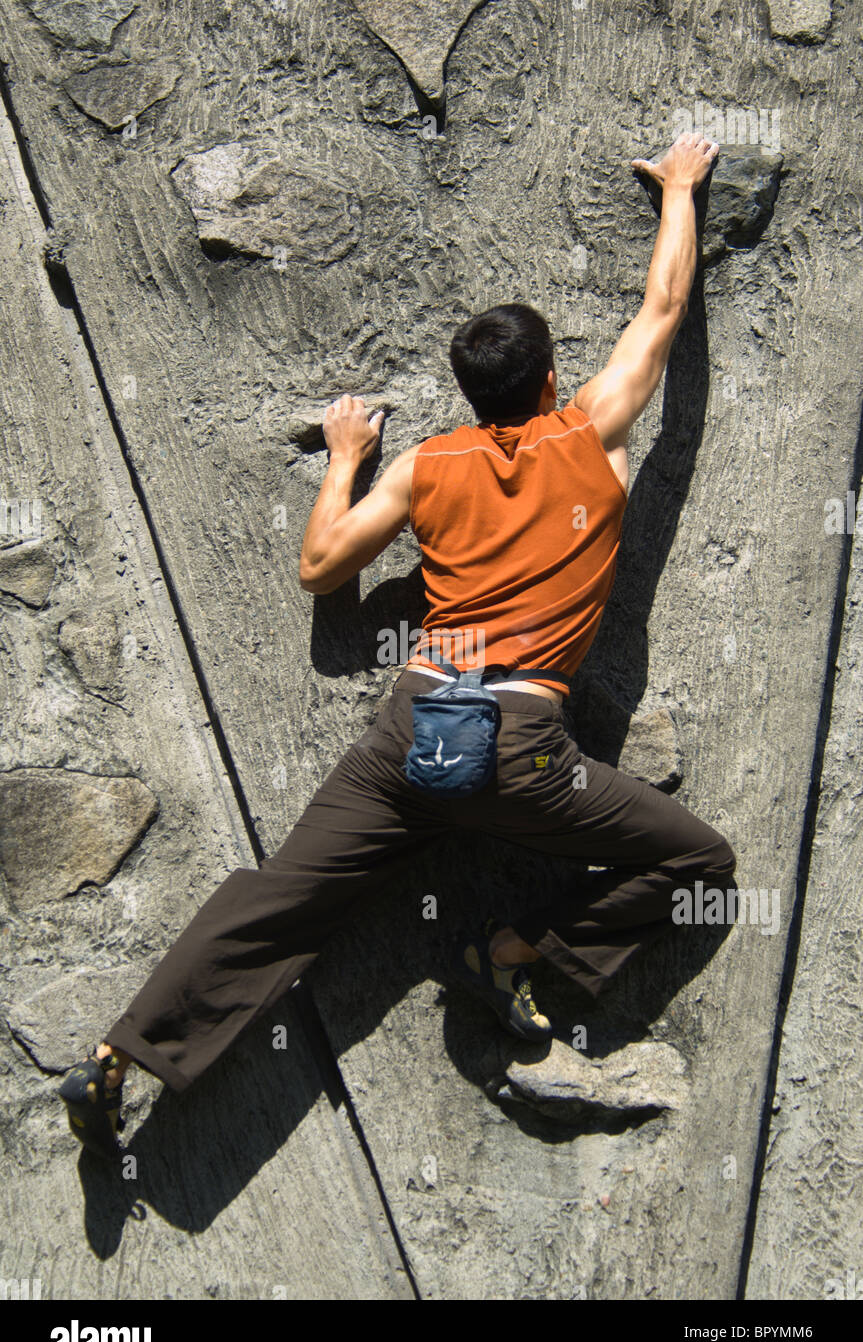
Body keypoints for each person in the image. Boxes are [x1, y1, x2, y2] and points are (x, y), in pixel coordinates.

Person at [60, 132, 735, 1160]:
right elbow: (663, 309)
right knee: (699, 859)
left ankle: (121, 1052)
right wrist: (679, 188)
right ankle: (510, 950)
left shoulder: (425, 467)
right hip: (520, 753)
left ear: (468, 393)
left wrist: (343, 458)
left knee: (282, 897)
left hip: (412, 730)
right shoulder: (590, 430)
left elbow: (320, 567)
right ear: (551, 377)